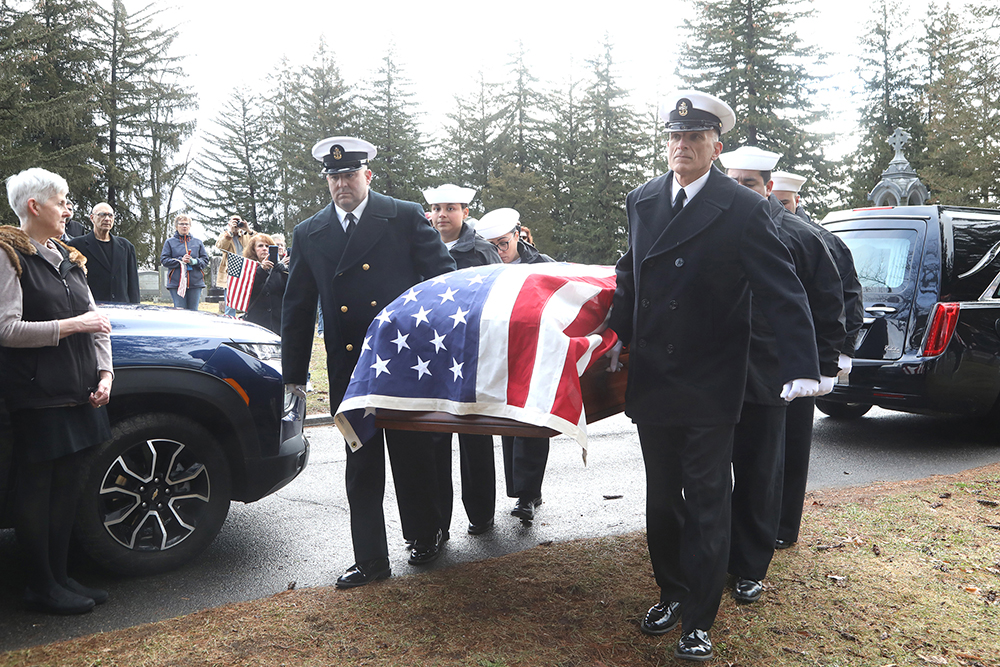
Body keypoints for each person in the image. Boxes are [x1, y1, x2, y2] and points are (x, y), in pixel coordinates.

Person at [604, 91, 820, 662]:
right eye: (674, 137)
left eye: (695, 138)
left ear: (715, 147)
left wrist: (802, 365)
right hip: (656, 378)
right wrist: (613, 334)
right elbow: (630, 273)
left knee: (705, 499)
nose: (682, 147)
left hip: (710, 378)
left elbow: (782, 289)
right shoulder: (643, 198)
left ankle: (700, 615)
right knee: (661, 498)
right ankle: (671, 592)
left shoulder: (744, 208)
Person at [281, 136, 457, 587]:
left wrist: (437, 346)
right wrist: (294, 378)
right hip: (350, 370)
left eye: (349, 175)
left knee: (412, 456)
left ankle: (424, 535)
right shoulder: (310, 232)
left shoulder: (400, 216)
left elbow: (444, 283)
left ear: (367, 175)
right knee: (360, 463)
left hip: (403, 363)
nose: (341, 183)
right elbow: (297, 309)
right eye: (333, 177)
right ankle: (371, 559)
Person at [719, 146, 846, 605]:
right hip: (716, 371)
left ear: (769, 187)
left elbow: (829, 303)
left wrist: (825, 364)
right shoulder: (714, 224)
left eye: (749, 184)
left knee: (759, 473)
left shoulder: (800, 235)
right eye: (731, 182)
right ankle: (714, 556)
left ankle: (750, 566)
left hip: (769, 374)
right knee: (710, 476)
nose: (739, 192)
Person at [0, 168, 113, 615]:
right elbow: (6, 329)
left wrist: (106, 374)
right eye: (62, 201)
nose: (69, 209)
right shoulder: (9, 255)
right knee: (37, 490)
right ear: (35, 206)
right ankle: (39, 585)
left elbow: (98, 320)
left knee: (67, 488)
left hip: (81, 391)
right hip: (38, 396)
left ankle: (61, 575)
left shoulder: (68, 256)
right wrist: (73, 326)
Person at [770, 171, 864, 550]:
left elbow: (847, 297)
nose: (777, 208)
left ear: (796, 202)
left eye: (784, 203)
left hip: (803, 356)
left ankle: (784, 527)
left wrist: (839, 354)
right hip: (763, 353)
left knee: (792, 443)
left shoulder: (823, 240)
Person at [424, 184, 502, 536]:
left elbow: (501, 299)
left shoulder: (484, 251)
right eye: (437, 208)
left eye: (450, 208)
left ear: (465, 212)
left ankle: (481, 514)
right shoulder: (420, 247)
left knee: (475, 437)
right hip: (432, 358)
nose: (442, 215)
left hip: (472, 355)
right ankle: (437, 523)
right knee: (434, 441)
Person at [476, 207, 554, 523]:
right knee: (508, 425)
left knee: (531, 424)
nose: (498, 252)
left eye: (503, 244)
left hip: (536, 354)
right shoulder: (482, 266)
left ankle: (527, 494)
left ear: (518, 235)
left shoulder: (543, 265)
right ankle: (522, 490)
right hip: (500, 355)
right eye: (491, 246)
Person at [66, 202, 140, 303]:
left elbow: (133, 284)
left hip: (122, 308)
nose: (107, 219)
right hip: (91, 307)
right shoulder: (77, 245)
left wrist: (135, 308)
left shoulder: (126, 246)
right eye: (102, 215)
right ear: (92, 218)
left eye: (110, 215)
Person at [160, 214, 209, 310]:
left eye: (187, 224)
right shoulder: (169, 242)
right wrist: (180, 261)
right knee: (180, 311)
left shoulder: (198, 242)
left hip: (195, 283)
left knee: (193, 311)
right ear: (176, 226)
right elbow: (164, 260)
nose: (184, 226)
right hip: (176, 283)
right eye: (181, 224)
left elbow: (205, 260)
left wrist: (194, 261)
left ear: (190, 226)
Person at [241, 232, 287, 333]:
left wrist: (285, 272)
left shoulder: (278, 269)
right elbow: (246, 290)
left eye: (268, 246)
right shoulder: (248, 268)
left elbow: (289, 291)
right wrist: (261, 269)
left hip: (277, 324)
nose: (265, 248)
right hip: (256, 324)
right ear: (253, 250)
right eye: (260, 246)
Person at [217, 215, 254, 316]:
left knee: (249, 301)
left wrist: (248, 229)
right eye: (234, 221)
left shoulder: (247, 235)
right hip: (231, 272)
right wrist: (230, 232)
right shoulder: (225, 235)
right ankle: (229, 323)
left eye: (238, 221)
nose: (236, 224)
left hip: (246, 270)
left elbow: (257, 243)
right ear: (229, 223)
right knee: (230, 304)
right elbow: (220, 246)